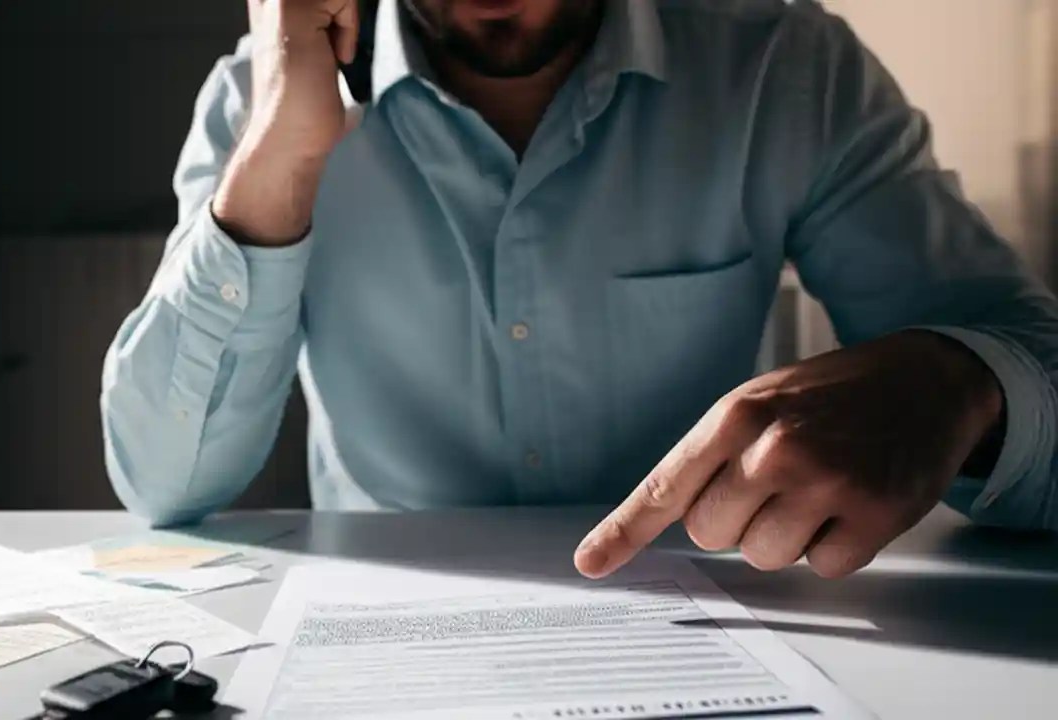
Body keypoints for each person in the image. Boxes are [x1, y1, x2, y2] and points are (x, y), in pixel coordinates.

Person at [100, 0, 1058, 579]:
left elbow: (1024, 355)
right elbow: (164, 486)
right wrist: (280, 158)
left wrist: (959, 383)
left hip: (734, 631)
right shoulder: (256, 100)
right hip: (381, 646)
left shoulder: (785, 70)